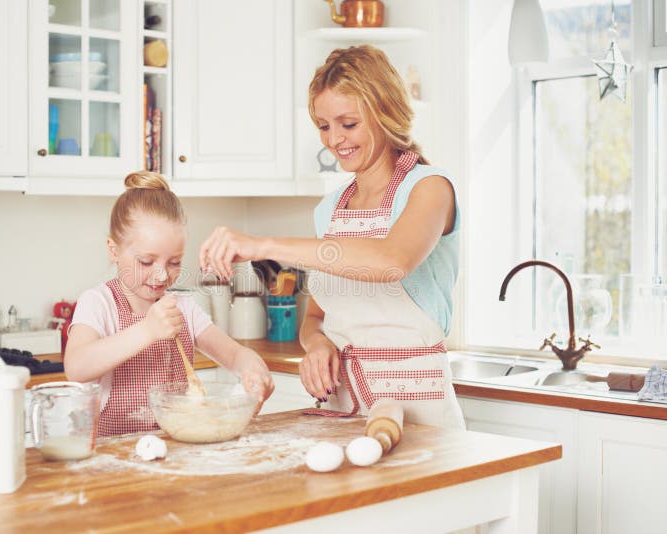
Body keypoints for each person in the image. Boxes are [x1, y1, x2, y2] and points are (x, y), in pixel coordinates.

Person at [199, 45, 464, 429]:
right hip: (344, 404)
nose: (334, 139)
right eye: (324, 126)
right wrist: (318, 344)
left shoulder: (431, 189)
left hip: (420, 410)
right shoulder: (331, 208)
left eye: (348, 123)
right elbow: (318, 315)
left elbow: (391, 261)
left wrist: (263, 245)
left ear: (384, 112)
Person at [65, 171, 275, 437]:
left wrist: (253, 370)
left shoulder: (183, 307)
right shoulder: (98, 303)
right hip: (114, 453)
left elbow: (233, 354)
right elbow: (76, 367)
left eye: (174, 262)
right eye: (146, 261)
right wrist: (147, 330)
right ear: (114, 250)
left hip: (175, 446)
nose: (162, 275)